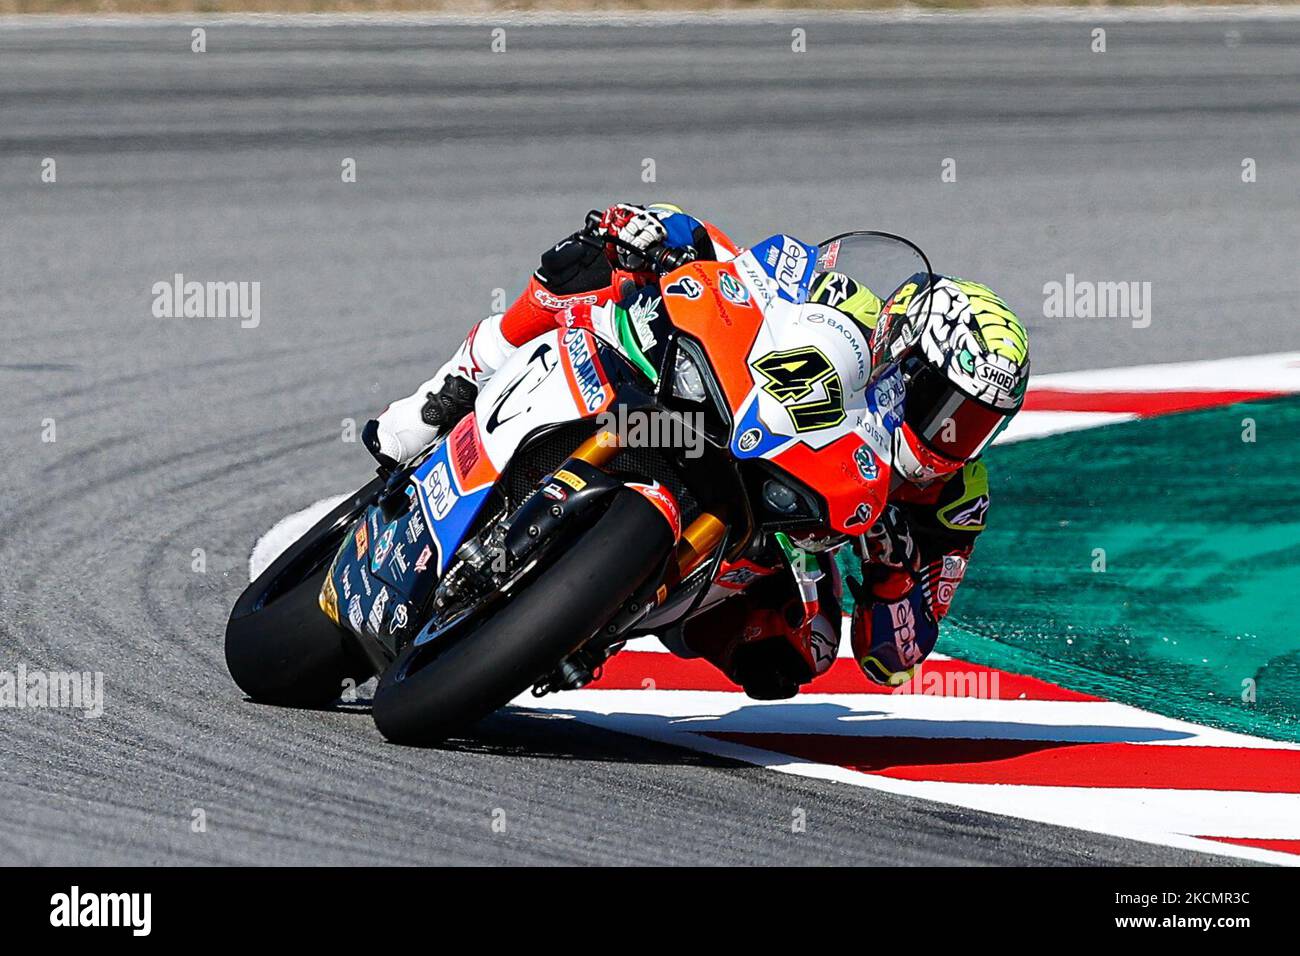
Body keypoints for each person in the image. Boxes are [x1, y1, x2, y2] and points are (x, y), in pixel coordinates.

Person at [363, 204, 1030, 698]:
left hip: (772, 531)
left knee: (798, 653)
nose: (953, 439)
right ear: (906, 358)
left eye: (977, 424)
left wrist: (893, 568)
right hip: (709, 414)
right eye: (948, 409)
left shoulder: (956, 501)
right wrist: (663, 234)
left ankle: (601, 613)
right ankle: (445, 396)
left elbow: (896, 659)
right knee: (592, 266)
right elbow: (741, 263)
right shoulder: (850, 302)